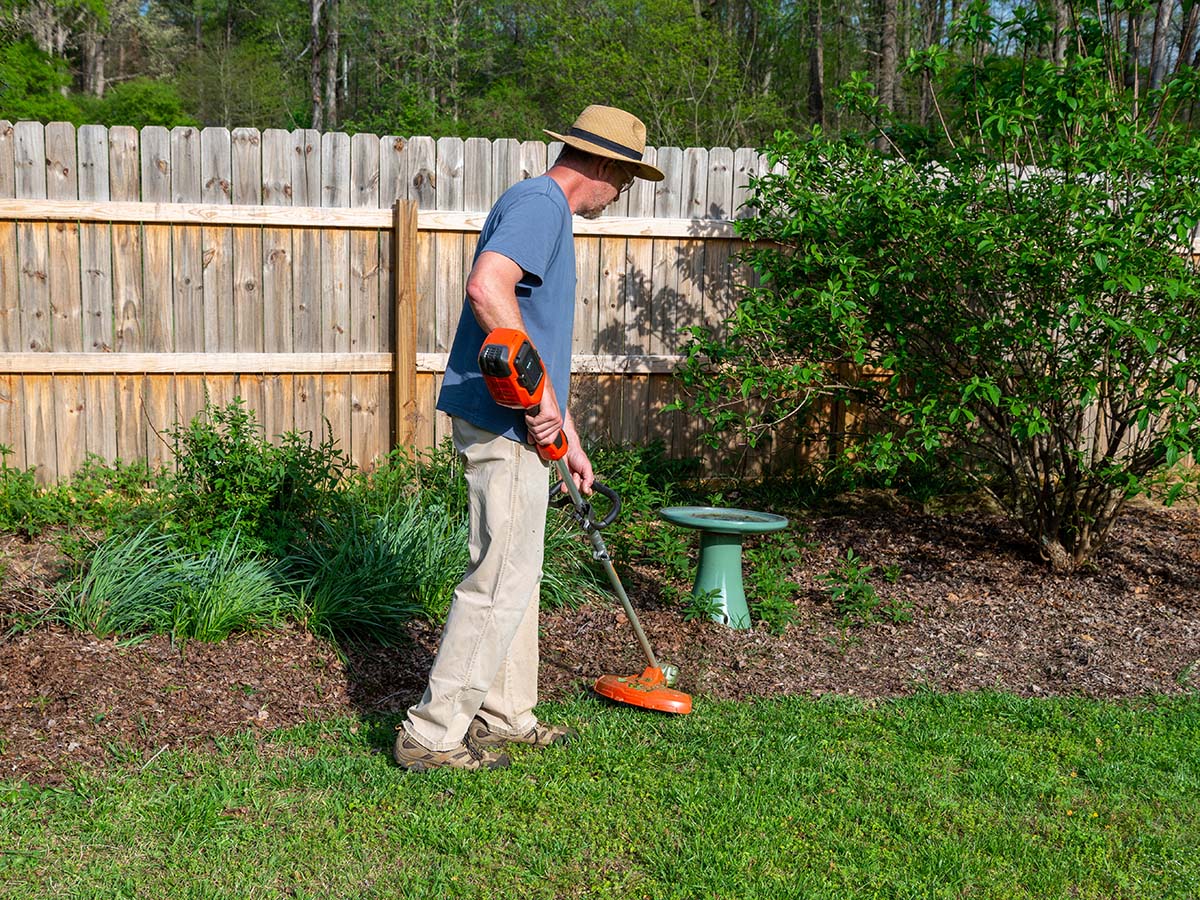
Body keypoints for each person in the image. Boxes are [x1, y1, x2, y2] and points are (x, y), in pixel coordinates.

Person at [393, 106, 665, 772]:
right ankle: (430, 734)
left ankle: (505, 713)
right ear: (601, 164)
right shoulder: (541, 205)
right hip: (505, 418)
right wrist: (538, 404)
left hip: (524, 418)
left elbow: (529, 332)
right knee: (496, 576)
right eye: (624, 178)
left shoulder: (543, 209)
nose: (621, 191)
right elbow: (488, 287)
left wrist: (566, 431)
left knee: (517, 572)